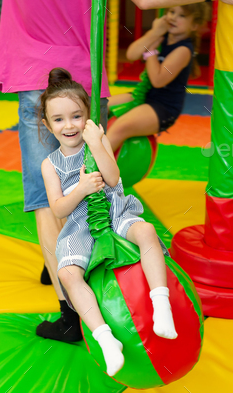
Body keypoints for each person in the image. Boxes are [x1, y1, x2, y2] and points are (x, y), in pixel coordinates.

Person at [0, 0, 233, 344]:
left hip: (35, 70)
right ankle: (72, 264)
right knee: (89, 181)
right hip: (85, 76)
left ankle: (71, 314)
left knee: (49, 196)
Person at [40, 68, 174, 377]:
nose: (69, 125)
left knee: (147, 231)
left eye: (76, 116)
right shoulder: (50, 164)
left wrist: (99, 143)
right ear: (47, 125)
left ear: (87, 115)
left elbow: (113, 178)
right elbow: (58, 209)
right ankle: (105, 338)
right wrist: (81, 190)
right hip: (79, 226)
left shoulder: (95, 142)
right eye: (59, 119)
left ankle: (161, 304)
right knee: (67, 274)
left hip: (115, 212)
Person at [106, 4, 209, 152]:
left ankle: (96, 170)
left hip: (163, 107)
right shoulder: (162, 36)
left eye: (182, 15)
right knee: (100, 106)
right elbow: (131, 54)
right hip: (145, 96)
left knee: (119, 128)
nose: (173, 17)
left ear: (194, 25)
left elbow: (158, 80)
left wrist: (151, 52)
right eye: (172, 11)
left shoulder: (183, 50)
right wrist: (154, 33)